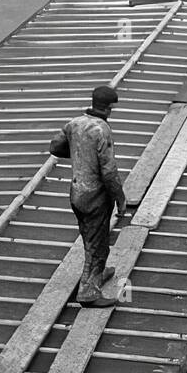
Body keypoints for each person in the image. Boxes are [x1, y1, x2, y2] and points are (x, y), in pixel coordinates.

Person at [50, 85, 126, 307]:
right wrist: (121, 200)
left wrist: (78, 153)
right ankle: (88, 292)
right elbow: (109, 173)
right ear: (110, 108)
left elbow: (55, 147)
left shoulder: (74, 123)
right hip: (95, 197)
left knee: (89, 239)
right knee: (99, 244)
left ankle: (97, 274)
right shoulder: (101, 130)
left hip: (77, 194)